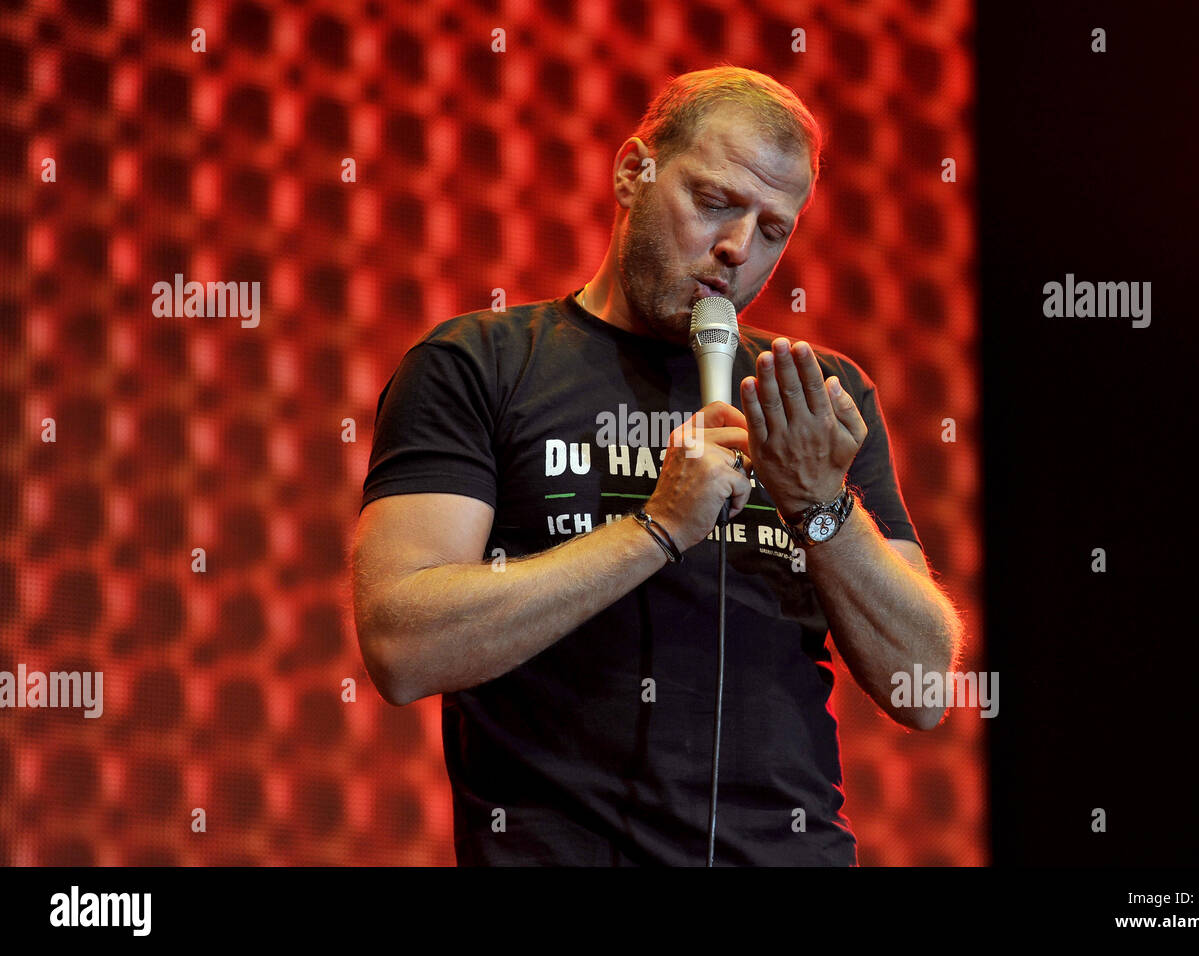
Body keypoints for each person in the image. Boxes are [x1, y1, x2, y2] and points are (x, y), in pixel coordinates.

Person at [351, 66, 963, 866]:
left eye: (773, 229)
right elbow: (402, 647)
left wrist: (821, 504)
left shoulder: (813, 399)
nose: (738, 248)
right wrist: (658, 527)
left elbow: (920, 685)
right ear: (632, 171)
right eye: (714, 203)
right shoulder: (480, 365)